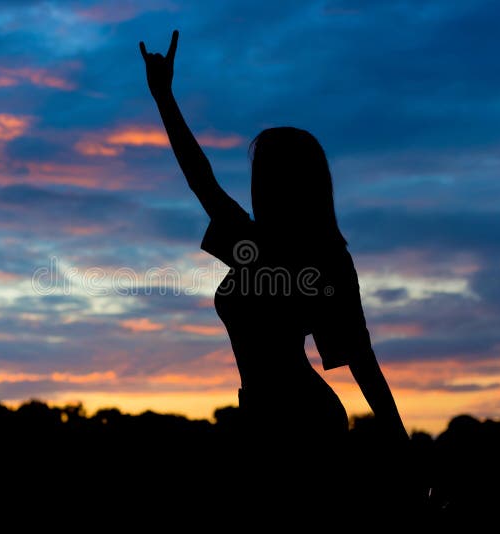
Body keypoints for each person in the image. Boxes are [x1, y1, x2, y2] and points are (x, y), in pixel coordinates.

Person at [139, 31, 409, 451]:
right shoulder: (251, 243)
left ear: (289, 184)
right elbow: (199, 177)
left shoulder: (325, 258)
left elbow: (362, 360)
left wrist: (404, 450)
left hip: (303, 422)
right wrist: (163, 97)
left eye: (263, 174)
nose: (255, 185)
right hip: (260, 419)